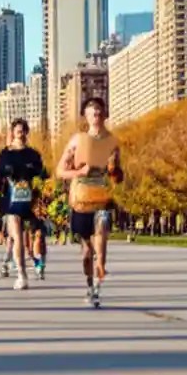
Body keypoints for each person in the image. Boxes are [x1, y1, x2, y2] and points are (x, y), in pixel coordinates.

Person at [56, 97, 124, 308]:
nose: (96, 115)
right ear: (85, 116)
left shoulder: (112, 143)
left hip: (102, 199)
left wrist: (114, 172)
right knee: (86, 253)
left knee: (101, 235)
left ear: (105, 115)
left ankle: (99, 277)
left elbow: (118, 177)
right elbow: (60, 171)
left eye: (99, 112)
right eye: (91, 112)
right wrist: (79, 171)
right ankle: (89, 282)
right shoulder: (77, 141)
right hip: (81, 200)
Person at [0, 119, 48, 289]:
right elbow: (0, 172)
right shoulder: (5, 154)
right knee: (17, 237)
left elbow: (41, 172)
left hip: (31, 200)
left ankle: (40, 263)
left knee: (38, 234)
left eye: (23, 131)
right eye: (17, 131)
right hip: (12, 199)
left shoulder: (33, 154)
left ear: (26, 132)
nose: (21, 133)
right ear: (12, 133)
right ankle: (21, 274)